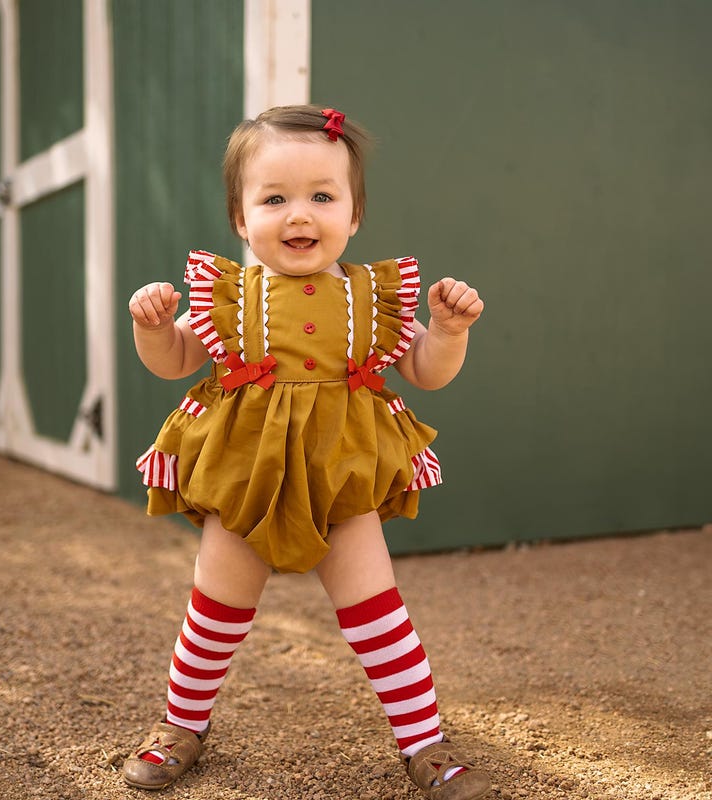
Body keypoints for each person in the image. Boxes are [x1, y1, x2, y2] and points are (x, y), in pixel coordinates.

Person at [124, 104, 491, 800]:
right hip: (244, 479)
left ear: (354, 215)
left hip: (342, 477)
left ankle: (424, 742)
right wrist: (154, 327)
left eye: (323, 196)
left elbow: (424, 371)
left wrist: (447, 332)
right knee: (214, 610)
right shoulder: (229, 297)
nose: (300, 215)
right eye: (275, 198)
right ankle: (180, 725)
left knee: (378, 609)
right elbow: (174, 361)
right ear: (240, 217)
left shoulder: (370, 297)